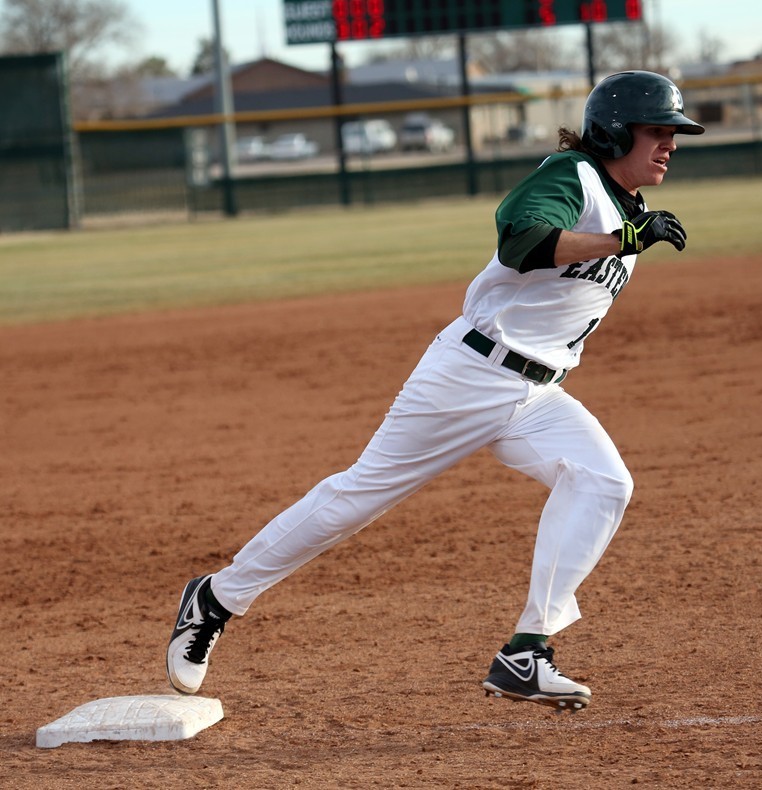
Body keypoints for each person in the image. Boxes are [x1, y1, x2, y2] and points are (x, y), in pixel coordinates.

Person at [166, 70, 704, 713]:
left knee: (603, 482)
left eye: (675, 133)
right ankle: (217, 599)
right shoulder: (573, 176)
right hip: (469, 377)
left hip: (534, 394)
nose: (670, 143)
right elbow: (520, 239)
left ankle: (527, 651)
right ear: (615, 132)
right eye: (658, 130)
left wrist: (627, 232)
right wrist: (622, 239)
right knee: (357, 499)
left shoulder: (629, 210)